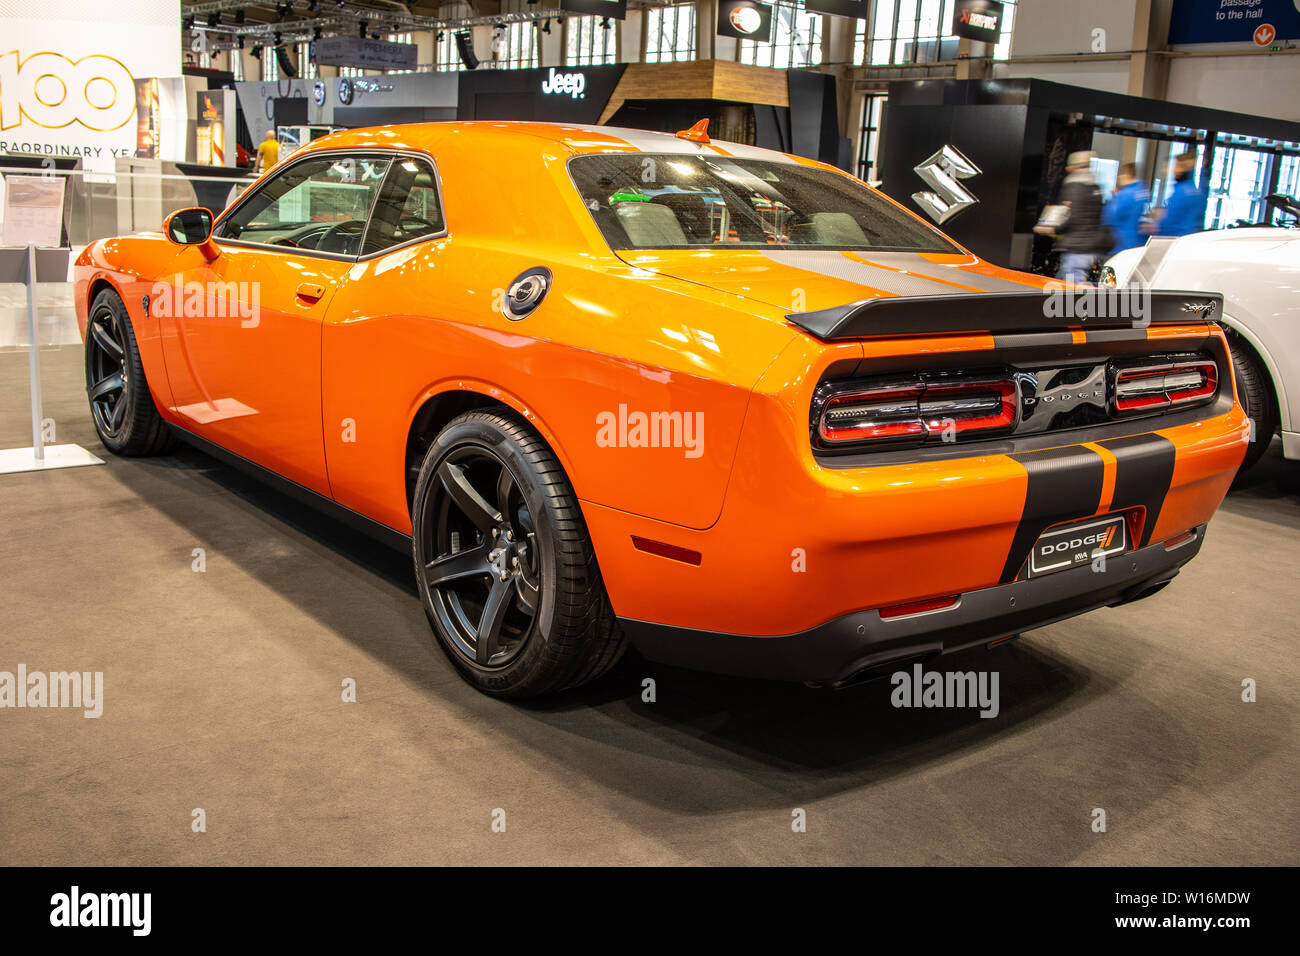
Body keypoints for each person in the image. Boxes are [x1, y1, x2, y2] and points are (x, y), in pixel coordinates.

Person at [1052, 150, 1111, 284]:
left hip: (1076, 247)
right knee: (1061, 282)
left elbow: (1072, 217)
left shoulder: (1073, 186)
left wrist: (1055, 229)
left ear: (1072, 167)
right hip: (1089, 246)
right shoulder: (1095, 187)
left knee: (1073, 287)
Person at [1152, 150, 1207, 237]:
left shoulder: (1181, 192)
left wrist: (1155, 225)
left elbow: (1170, 222)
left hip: (1175, 239)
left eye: (1176, 166)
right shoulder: (1194, 190)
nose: (1173, 170)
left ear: (1183, 167)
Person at [1102, 162, 1149, 256]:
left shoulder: (1125, 195)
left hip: (1121, 242)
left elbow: (1109, 216)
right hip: (1137, 241)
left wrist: (1114, 198)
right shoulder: (1142, 190)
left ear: (1126, 175)